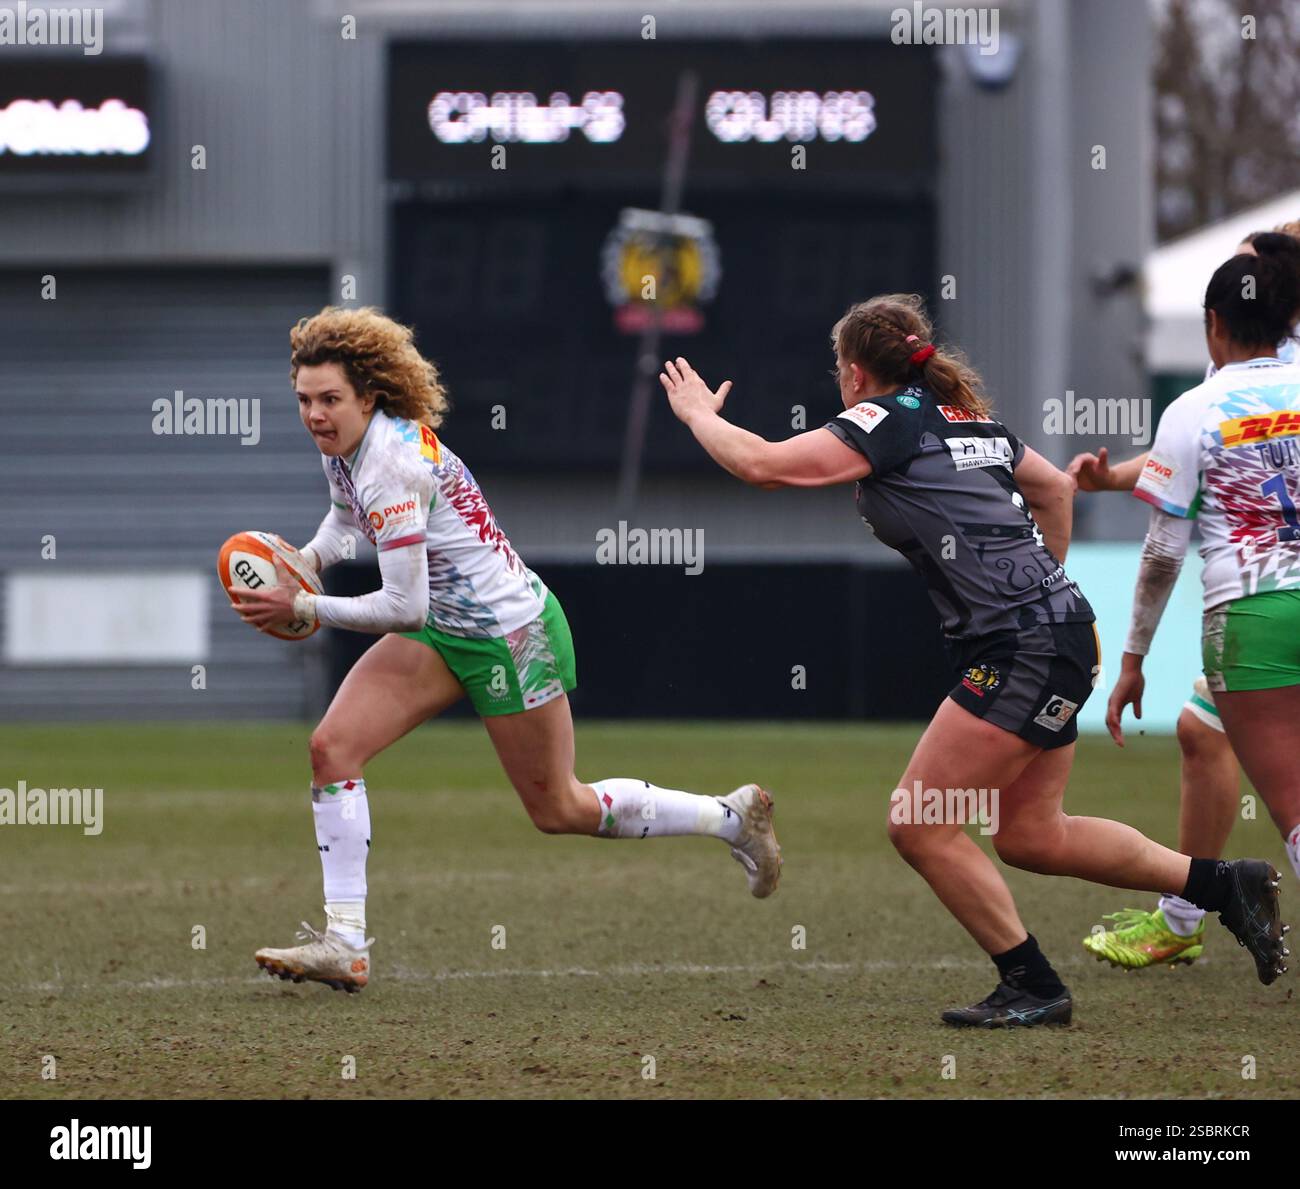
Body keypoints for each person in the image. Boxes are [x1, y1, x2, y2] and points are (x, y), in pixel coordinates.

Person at [661, 292, 1288, 1027]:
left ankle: (1033, 983)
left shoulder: (882, 420)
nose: (839, 378)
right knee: (1031, 833)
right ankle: (1225, 882)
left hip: (1023, 645)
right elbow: (1055, 488)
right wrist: (1045, 590)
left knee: (918, 822)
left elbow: (764, 465)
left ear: (858, 373)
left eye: (840, 365)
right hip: (1059, 632)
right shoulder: (969, 419)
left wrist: (700, 414)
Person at [229, 307, 781, 993]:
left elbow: (404, 605)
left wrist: (304, 605)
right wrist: (309, 558)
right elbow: (347, 520)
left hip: (510, 634)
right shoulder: (346, 446)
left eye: (329, 399)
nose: (315, 413)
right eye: (305, 399)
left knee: (561, 809)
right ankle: (345, 943)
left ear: (368, 396)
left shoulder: (394, 464)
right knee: (331, 749)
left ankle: (729, 817)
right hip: (444, 628)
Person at [1070, 227, 1300, 969]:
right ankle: (1183, 911)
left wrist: (1132, 657)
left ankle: (1184, 910)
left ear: (1214, 324)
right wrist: (1116, 476)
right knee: (1205, 731)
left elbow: (1166, 551)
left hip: (1254, 615)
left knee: (1292, 813)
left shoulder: (1195, 406)